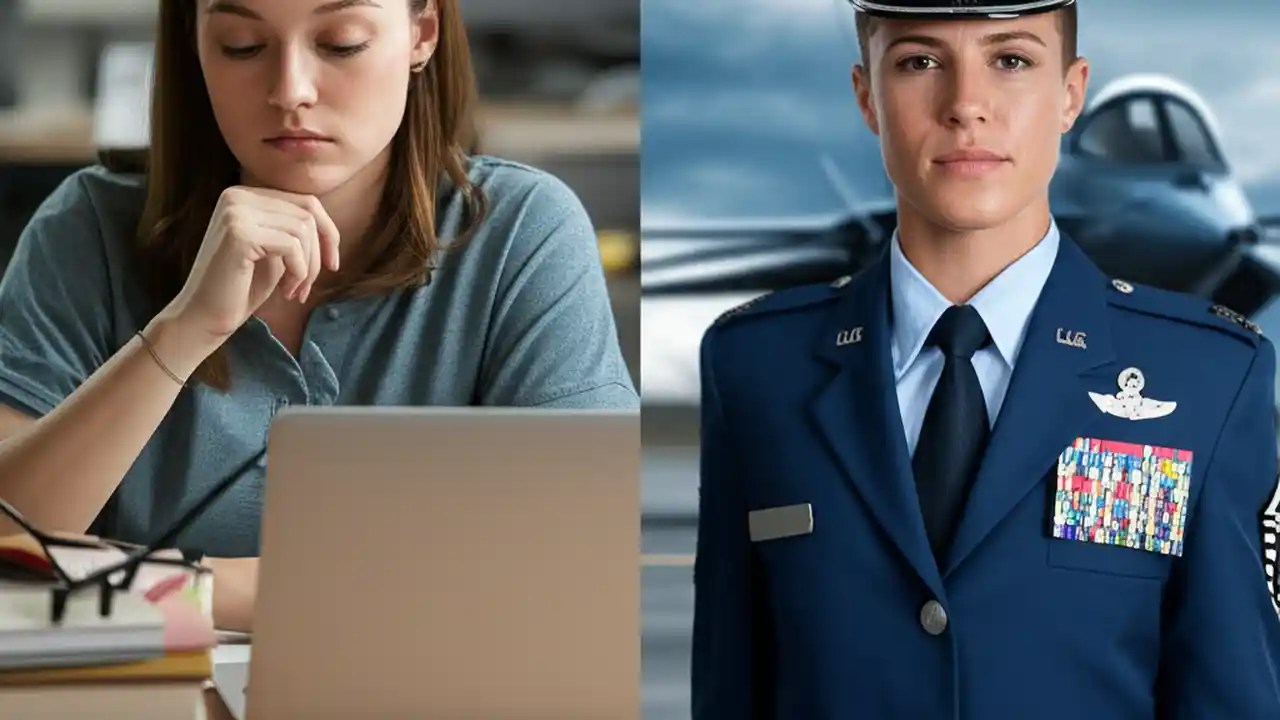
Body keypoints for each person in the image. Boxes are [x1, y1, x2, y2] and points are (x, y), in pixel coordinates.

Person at [692, 0, 1280, 717]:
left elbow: (1234, 695)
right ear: (866, 96)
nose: (966, 105)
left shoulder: (1211, 378)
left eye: (1011, 60)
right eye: (919, 62)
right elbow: (729, 685)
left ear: (1071, 92)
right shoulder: (755, 369)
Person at [0, 0, 636, 632]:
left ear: (423, 33)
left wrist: (134, 581)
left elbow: (575, 560)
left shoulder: (522, 232)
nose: (291, 91)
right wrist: (185, 331)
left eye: (342, 42)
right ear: (193, 47)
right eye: (242, 46)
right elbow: (8, 546)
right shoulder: (87, 229)